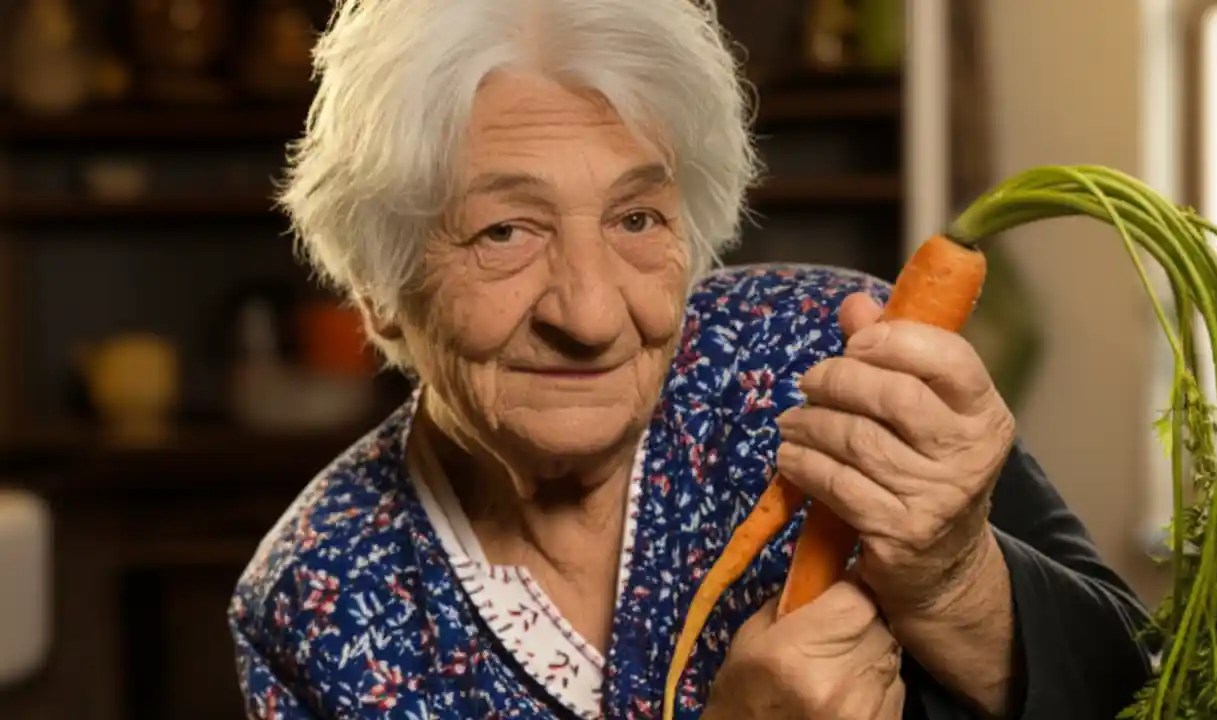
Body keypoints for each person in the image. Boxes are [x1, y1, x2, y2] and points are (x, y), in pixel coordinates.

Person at [228, 0, 1155, 717]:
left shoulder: (824, 347)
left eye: (638, 219)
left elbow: (1146, 688)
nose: (592, 315)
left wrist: (956, 585)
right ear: (378, 290)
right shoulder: (318, 599)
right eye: (505, 231)